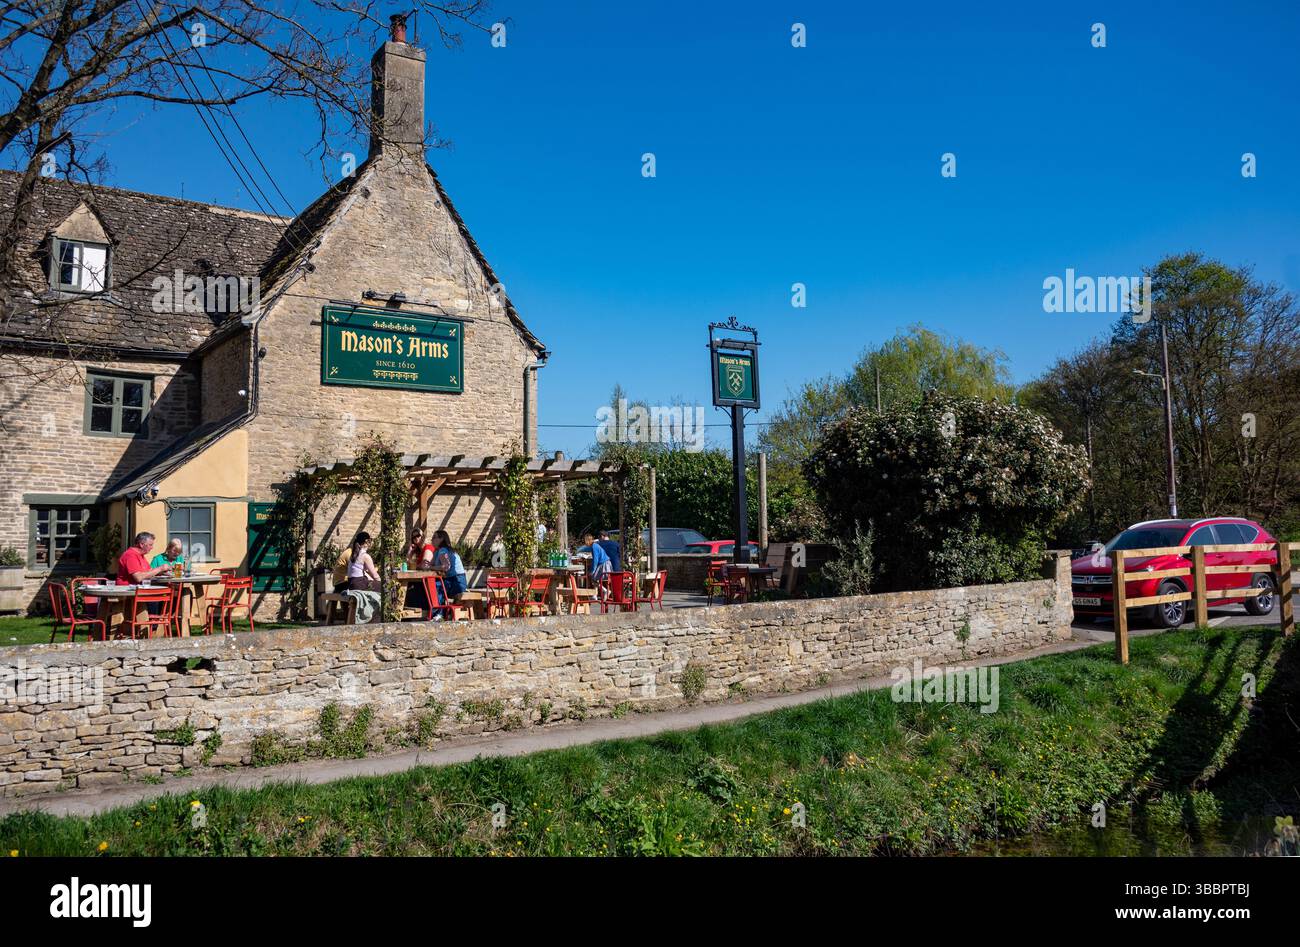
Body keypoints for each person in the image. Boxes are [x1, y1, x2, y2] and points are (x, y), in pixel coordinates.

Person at [430, 529, 467, 607]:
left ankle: (438, 613)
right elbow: (431, 564)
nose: (432, 539)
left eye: (434, 537)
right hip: (456, 581)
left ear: (441, 539)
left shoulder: (443, 550)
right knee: (435, 584)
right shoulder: (439, 551)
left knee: (436, 586)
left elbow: (446, 566)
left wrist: (431, 567)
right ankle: (438, 611)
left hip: (457, 582)